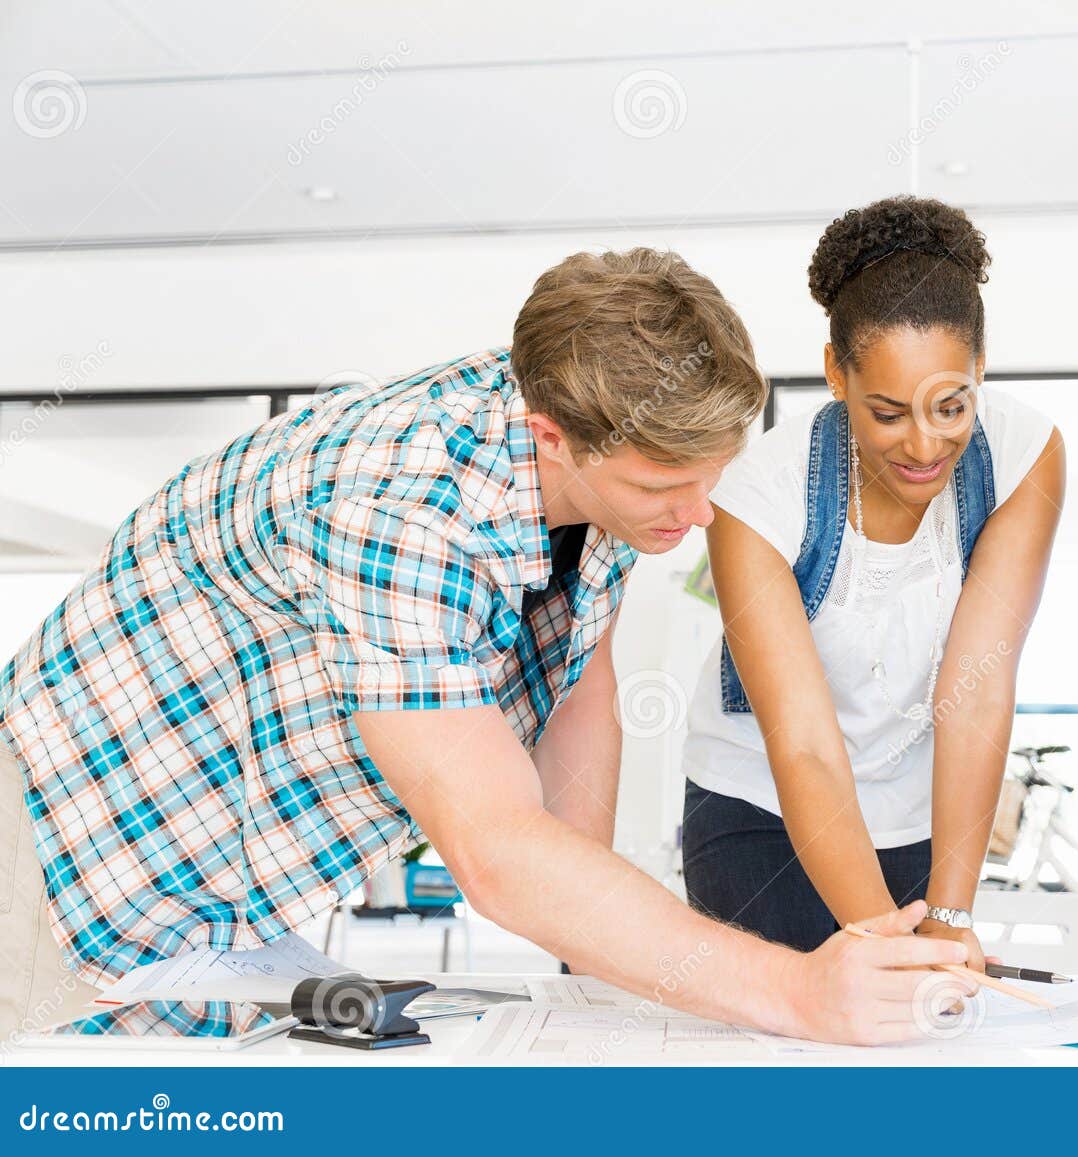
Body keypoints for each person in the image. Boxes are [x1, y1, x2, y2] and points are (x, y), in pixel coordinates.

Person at [0, 248, 973, 1046]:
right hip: (52, 850)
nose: (698, 512)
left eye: (711, 474)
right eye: (663, 487)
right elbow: (499, 851)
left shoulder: (601, 467)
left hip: (216, 885)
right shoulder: (402, 512)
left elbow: (578, 680)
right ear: (554, 436)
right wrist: (798, 990)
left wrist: (601, 945)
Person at [681, 196, 1064, 970]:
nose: (926, 444)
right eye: (888, 413)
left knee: (920, 1043)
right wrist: (884, 941)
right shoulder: (759, 495)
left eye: (952, 405)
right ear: (836, 375)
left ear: (980, 367)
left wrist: (950, 914)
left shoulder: (1025, 456)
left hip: (922, 818)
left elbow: (978, 690)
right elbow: (806, 744)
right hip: (761, 816)